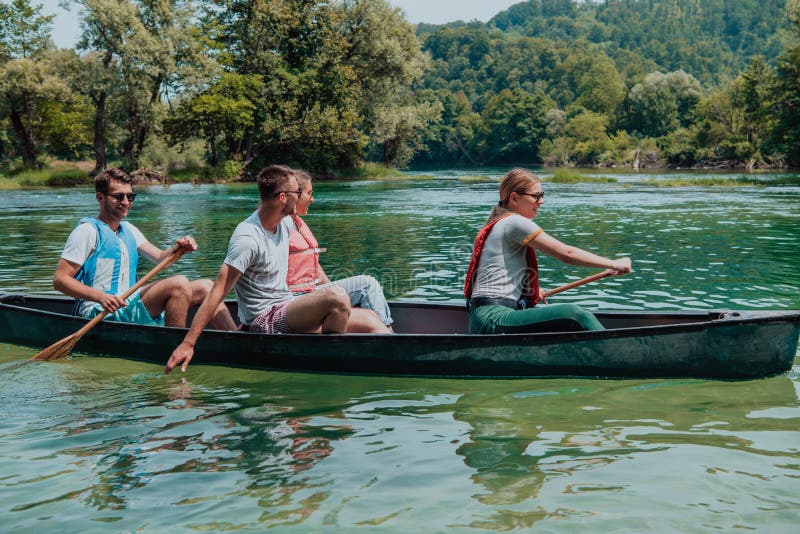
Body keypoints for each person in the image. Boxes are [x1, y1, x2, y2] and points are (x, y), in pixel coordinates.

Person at [166, 164, 389, 374]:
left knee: (371, 320)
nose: (301, 195)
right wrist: (188, 343)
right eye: (297, 191)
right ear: (283, 198)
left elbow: (278, 205)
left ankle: (392, 358)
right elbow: (217, 291)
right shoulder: (247, 238)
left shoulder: (286, 222)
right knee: (338, 298)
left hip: (288, 305)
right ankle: (329, 363)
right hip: (264, 320)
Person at [53, 167, 237, 330]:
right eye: (119, 196)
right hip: (98, 312)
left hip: (126, 306)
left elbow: (160, 258)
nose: (126, 202)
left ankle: (236, 339)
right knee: (179, 283)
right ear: (100, 198)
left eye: (130, 196)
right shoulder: (87, 231)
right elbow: (60, 280)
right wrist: (101, 297)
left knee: (207, 287)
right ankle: (173, 348)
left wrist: (180, 248)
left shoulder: (129, 230)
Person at [464, 168, 631, 334]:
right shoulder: (514, 222)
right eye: (536, 196)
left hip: (488, 316)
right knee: (575, 315)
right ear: (514, 198)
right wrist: (615, 263)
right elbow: (566, 254)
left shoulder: (502, 222)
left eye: (542, 195)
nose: (541, 201)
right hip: (493, 316)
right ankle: (618, 353)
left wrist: (531, 292)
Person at [287, 170, 393, 329]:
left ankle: (384, 333)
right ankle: (388, 335)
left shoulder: (298, 222)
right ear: (295, 194)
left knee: (368, 285)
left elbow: (314, 267)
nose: (312, 199)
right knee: (367, 285)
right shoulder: (280, 227)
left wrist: (335, 292)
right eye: (309, 193)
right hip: (297, 299)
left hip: (312, 292)